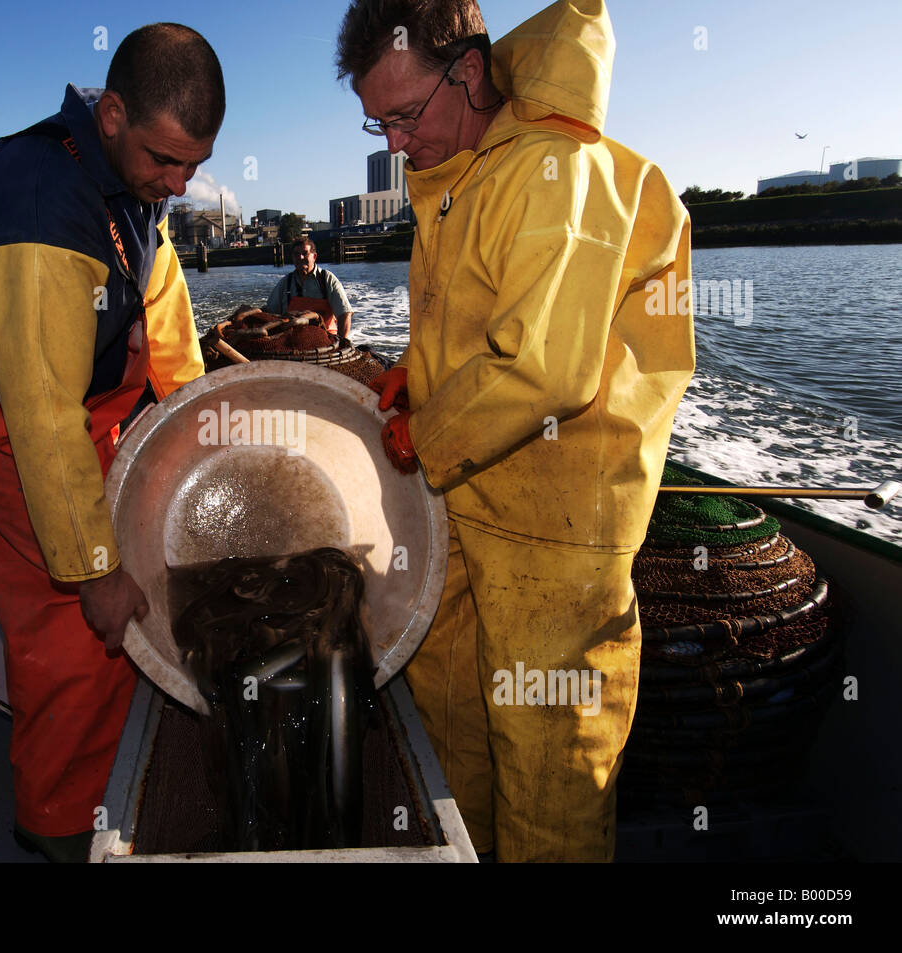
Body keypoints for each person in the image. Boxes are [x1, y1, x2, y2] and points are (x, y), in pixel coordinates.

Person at [337, 0, 694, 861]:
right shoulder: (460, 174)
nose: (390, 143)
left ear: (466, 70)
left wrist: (424, 432)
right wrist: (413, 379)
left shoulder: (555, 170)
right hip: (467, 503)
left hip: (557, 537)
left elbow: (545, 367)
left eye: (402, 115)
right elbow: (474, 331)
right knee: (452, 721)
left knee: (548, 772)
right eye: (373, 120)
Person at [0, 23, 223, 862]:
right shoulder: (41, 210)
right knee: (78, 622)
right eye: (167, 161)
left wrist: (192, 421)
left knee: (142, 529)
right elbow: (44, 419)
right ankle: (57, 827)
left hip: (78, 383)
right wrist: (98, 569)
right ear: (111, 113)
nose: (180, 185)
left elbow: (159, 286)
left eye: (194, 164)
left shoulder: (130, 170)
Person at [265, 237, 355, 339]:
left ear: (314, 256)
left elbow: (344, 313)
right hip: (292, 341)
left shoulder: (327, 279)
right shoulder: (285, 283)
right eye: (296, 254)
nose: (301, 257)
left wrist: (343, 341)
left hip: (327, 340)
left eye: (305, 253)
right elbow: (270, 313)